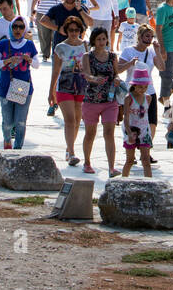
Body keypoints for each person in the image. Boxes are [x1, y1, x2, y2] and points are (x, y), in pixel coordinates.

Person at [80, 27, 129, 176]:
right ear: (94, 40)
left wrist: (116, 80)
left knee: (109, 133)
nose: (102, 42)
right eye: (99, 39)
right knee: (90, 133)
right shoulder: (87, 56)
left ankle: (111, 167)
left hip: (109, 99)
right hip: (91, 100)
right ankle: (87, 162)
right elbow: (86, 74)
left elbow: (116, 74)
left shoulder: (113, 56)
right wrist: (95, 79)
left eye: (104, 39)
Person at [0, 16, 38, 150]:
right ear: (11, 28)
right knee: (7, 121)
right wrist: (7, 61)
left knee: (20, 121)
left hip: (23, 87)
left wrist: (29, 60)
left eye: (21, 27)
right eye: (15, 26)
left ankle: (18, 148)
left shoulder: (29, 45)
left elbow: (37, 65)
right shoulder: (3, 44)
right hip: (6, 85)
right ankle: (7, 141)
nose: (18, 29)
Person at [51, 15, 88, 166]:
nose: (74, 33)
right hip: (65, 85)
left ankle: (69, 147)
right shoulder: (60, 47)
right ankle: (72, 152)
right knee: (70, 119)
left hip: (81, 85)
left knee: (78, 119)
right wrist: (51, 90)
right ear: (66, 31)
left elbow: (87, 67)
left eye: (77, 30)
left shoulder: (85, 46)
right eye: (71, 30)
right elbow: (56, 70)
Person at [122, 70, 156, 177]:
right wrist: (129, 133)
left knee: (146, 160)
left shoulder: (148, 98)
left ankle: (150, 183)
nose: (143, 89)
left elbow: (144, 114)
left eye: (145, 87)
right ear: (134, 85)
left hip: (144, 130)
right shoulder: (128, 98)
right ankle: (123, 181)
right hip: (131, 129)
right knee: (130, 160)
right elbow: (126, 118)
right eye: (140, 87)